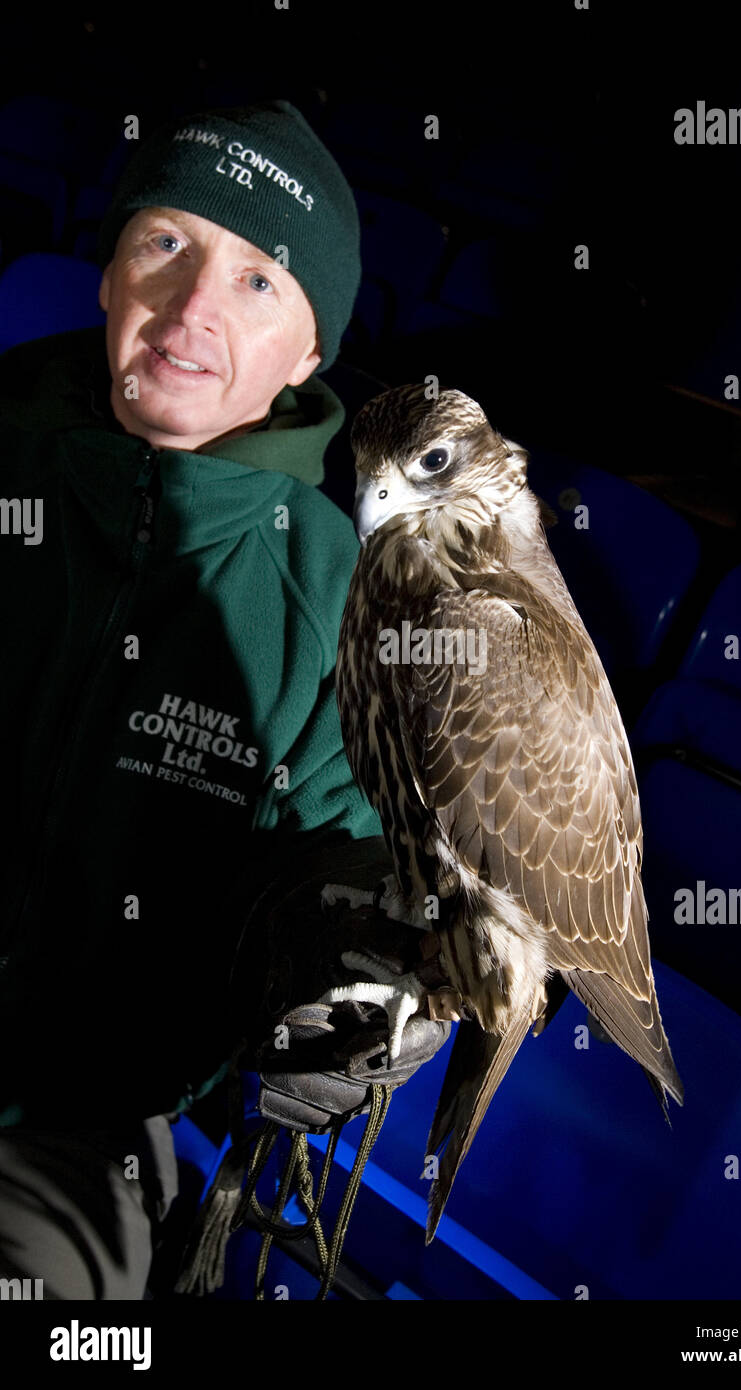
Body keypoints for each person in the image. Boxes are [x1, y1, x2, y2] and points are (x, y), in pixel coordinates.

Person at [0, 100, 445, 1300]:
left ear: (310, 354)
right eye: (165, 245)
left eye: (258, 280)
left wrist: (357, 969)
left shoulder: (351, 605)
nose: (194, 305)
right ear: (107, 277)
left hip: (65, 1135)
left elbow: (351, 864)